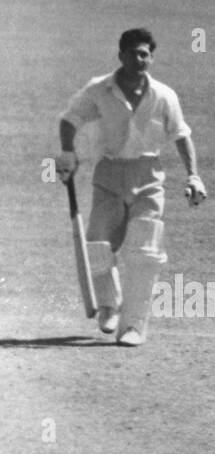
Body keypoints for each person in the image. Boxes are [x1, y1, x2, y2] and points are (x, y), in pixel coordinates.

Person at [56, 27, 205, 347]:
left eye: (145, 54)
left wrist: (193, 175)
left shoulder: (164, 95)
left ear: (151, 58)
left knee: (145, 252)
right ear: (120, 54)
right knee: (97, 245)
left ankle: (134, 326)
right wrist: (68, 153)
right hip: (109, 173)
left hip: (149, 176)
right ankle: (108, 305)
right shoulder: (99, 89)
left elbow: (181, 136)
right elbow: (69, 119)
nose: (139, 59)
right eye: (133, 53)